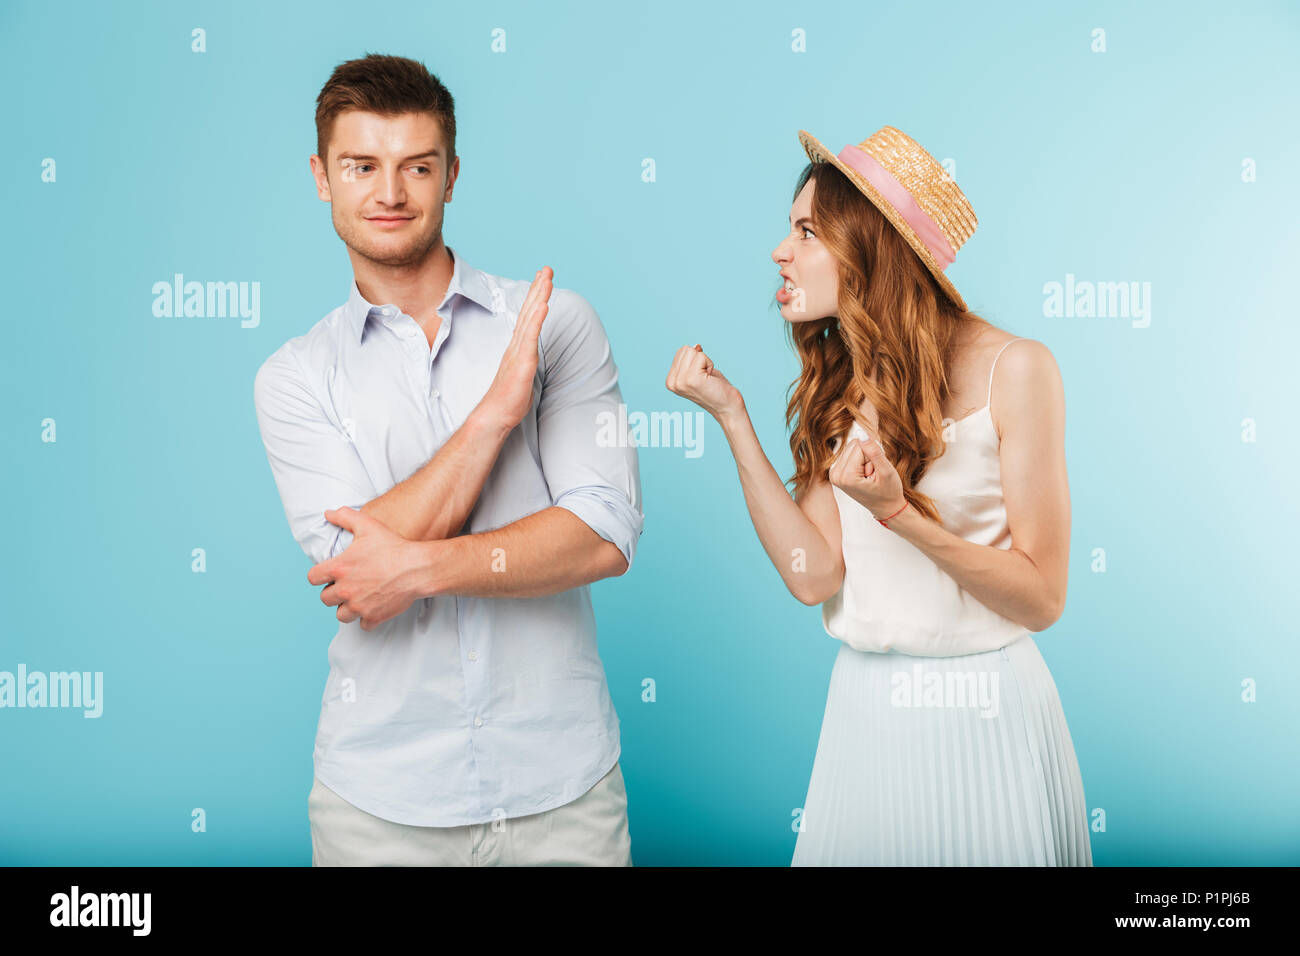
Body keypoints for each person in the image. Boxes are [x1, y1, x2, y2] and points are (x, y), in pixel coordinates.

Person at [253, 54, 642, 866]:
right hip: (380, 805)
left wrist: (419, 568)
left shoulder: (555, 324)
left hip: (560, 791)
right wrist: (497, 415)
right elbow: (353, 576)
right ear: (322, 176)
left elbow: (603, 533)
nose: (389, 193)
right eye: (362, 166)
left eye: (416, 167)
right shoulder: (294, 377)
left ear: (452, 175)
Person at [666, 125, 1091, 865]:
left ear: (870, 250)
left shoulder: (1017, 370)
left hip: (987, 715)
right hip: (864, 715)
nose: (780, 250)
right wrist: (732, 417)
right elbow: (813, 576)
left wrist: (898, 514)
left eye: (806, 231)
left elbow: (1042, 599)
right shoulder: (840, 378)